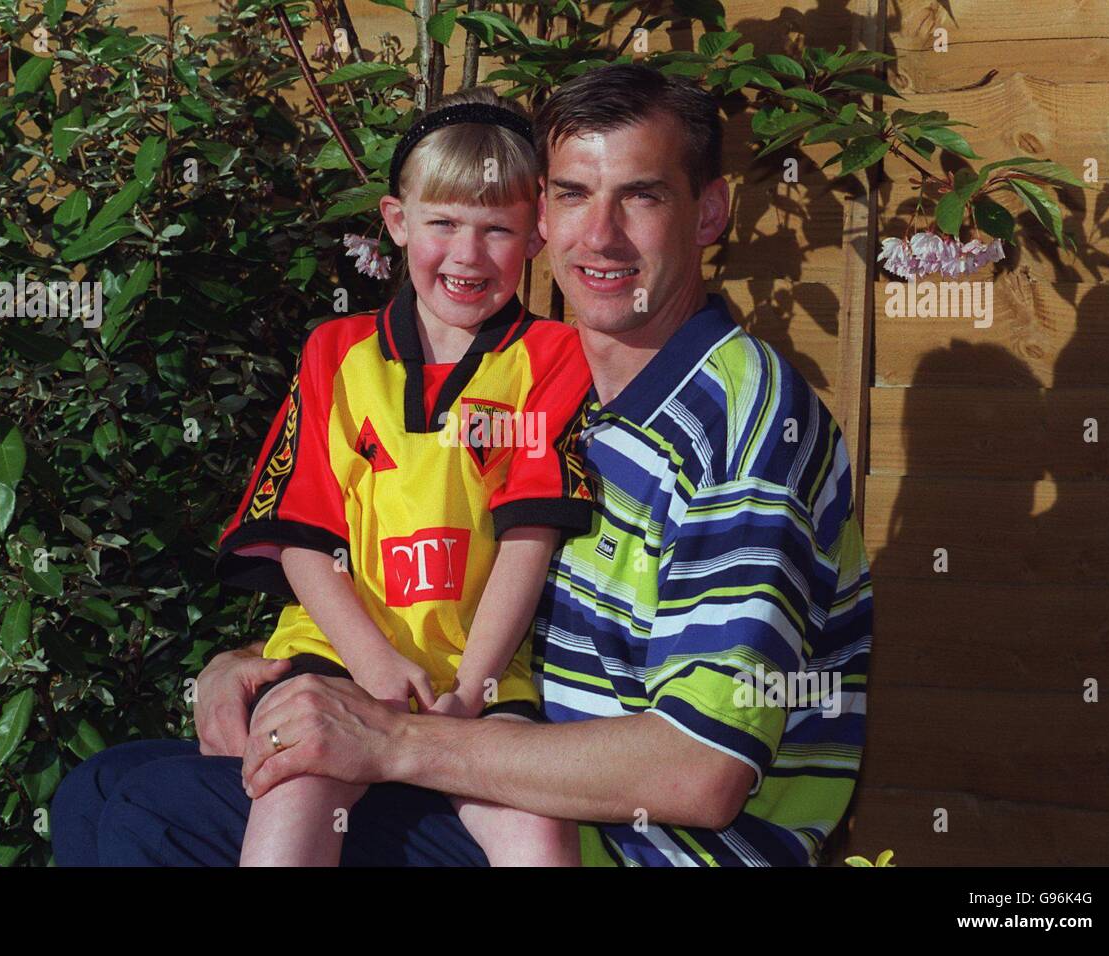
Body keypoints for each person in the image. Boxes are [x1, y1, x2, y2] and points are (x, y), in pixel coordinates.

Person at [51, 64, 872, 867]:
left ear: (709, 214)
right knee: (99, 784)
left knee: (152, 815)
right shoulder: (575, 381)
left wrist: (400, 738)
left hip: (638, 840)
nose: (600, 234)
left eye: (642, 195)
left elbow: (702, 769)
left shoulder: (746, 420)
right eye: (573, 195)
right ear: (542, 215)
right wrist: (273, 667)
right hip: (506, 755)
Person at [216, 85, 594, 866]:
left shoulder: (553, 357)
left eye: (497, 229)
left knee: (541, 829)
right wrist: (375, 666)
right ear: (396, 221)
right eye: (443, 223)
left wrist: (469, 689)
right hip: (340, 655)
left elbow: (529, 539)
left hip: (484, 676)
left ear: (537, 239)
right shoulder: (334, 352)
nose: (466, 254)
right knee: (292, 793)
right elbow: (302, 539)